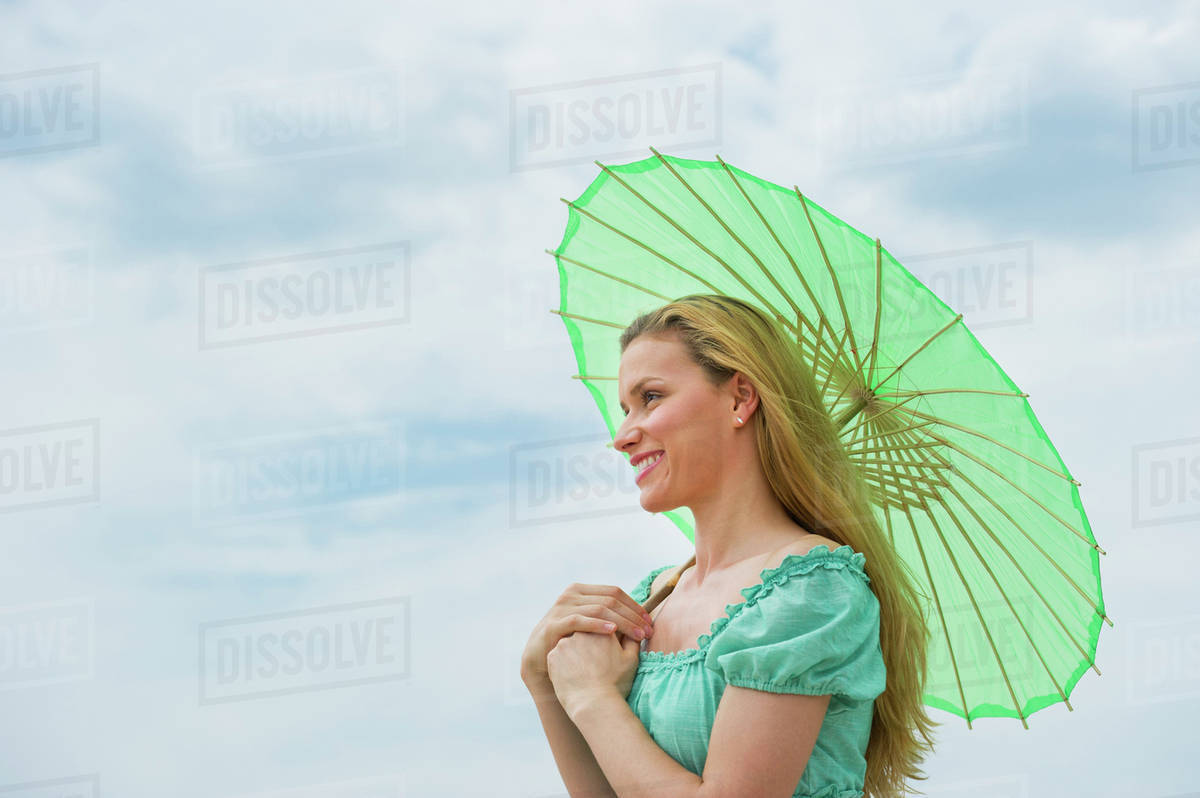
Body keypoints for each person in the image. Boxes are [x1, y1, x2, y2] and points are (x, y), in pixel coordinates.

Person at [521, 294, 938, 797]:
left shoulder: (810, 588)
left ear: (740, 398)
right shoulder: (656, 595)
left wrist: (590, 696)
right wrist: (544, 683)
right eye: (626, 409)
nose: (624, 436)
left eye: (651, 397)